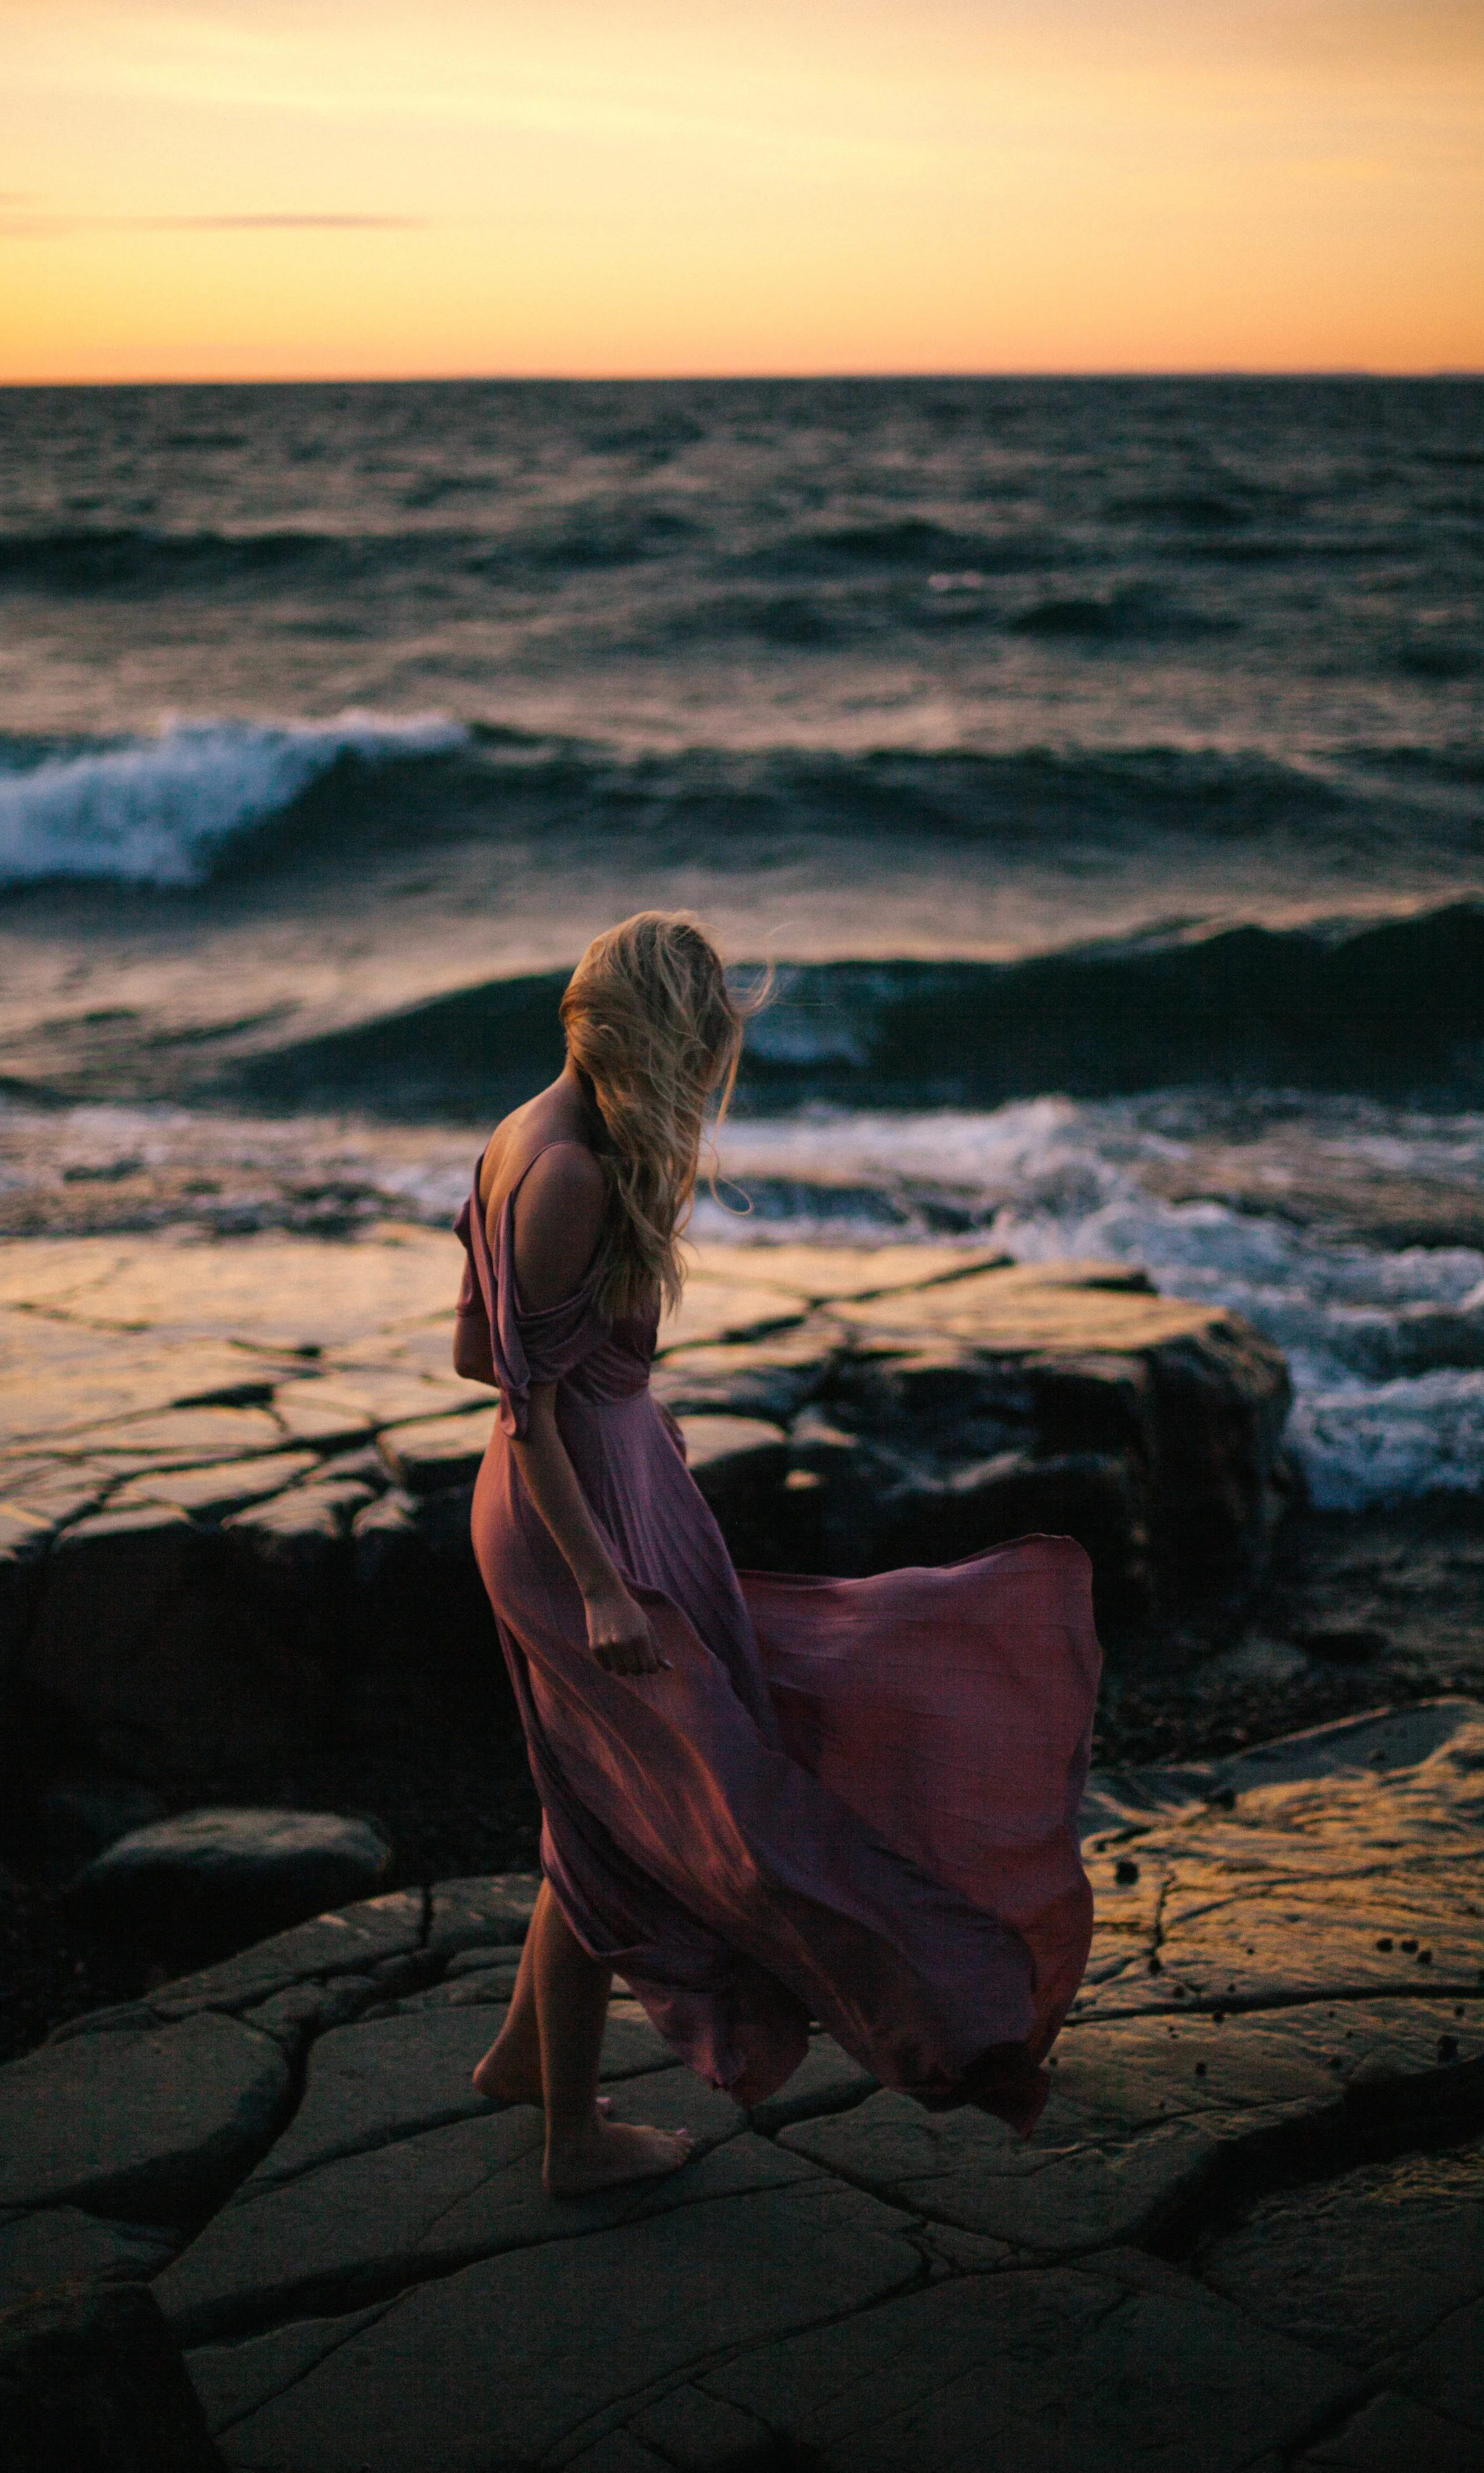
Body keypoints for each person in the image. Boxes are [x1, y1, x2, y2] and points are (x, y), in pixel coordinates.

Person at [452, 911, 1100, 2198]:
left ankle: (530, 2057)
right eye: (704, 1042)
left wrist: (630, 1414)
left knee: (595, 1801)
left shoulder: (532, 1128)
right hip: (574, 1526)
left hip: (615, 1489)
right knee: (645, 1823)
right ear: (661, 1033)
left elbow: (490, 1353)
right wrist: (598, 1578)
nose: (709, 1070)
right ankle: (572, 2141)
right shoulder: (569, 1169)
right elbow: (521, 1403)